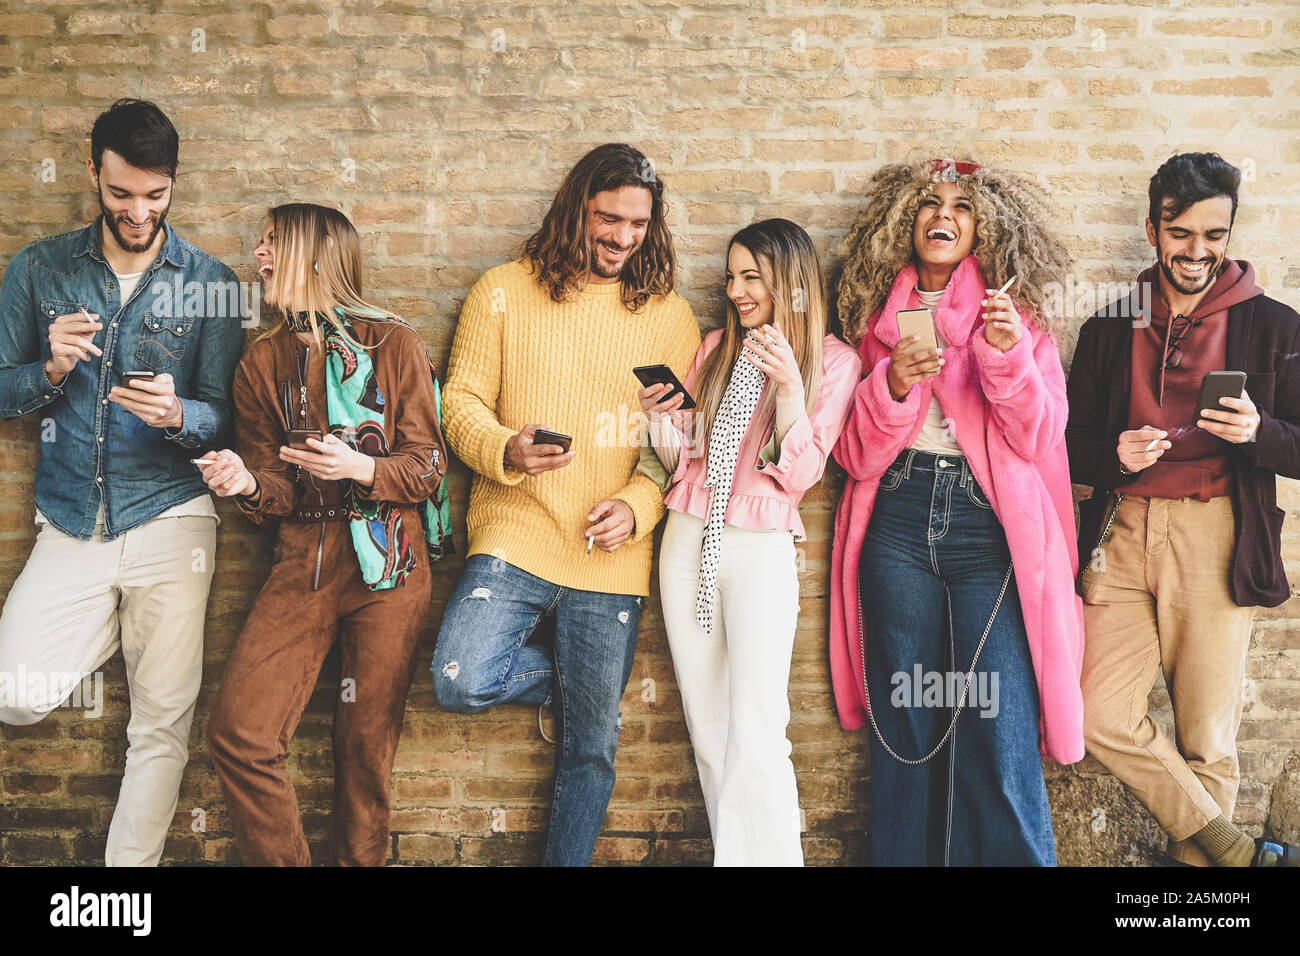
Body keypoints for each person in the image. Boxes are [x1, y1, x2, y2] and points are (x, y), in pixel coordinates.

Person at [432, 143, 700, 866]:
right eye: (608, 219)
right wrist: (505, 450)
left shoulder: (671, 319)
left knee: (592, 748)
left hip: (610, 556)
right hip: (516, 533)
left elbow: (675, 446)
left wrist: (640, 505)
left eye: (638, 225)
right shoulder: (503, 291)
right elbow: (458, 403)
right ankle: (581, 681)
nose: (621, 238)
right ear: (575, 209)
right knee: (458, 679)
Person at [0, 99, 244, 866]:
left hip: (174, 519)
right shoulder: (38, 269)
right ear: (93, 172)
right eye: (121, 193)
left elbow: (229, 419)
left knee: (160, 725)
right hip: (72, 519)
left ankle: (124, 887)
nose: (138, 212)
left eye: (155, 194)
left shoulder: (211, 281)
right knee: (16, 693)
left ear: (173, 183)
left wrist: (180, 415)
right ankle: (114, 619)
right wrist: (49, 368)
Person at [829, 158, 1084, 866]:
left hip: (986, 530)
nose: (944, 215)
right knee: (907, 722)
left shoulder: (1015, 315)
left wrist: (1005, 359)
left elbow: (1039, 437)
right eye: (929, 204)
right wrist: (894, 388)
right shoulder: (876, 322)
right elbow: (853, 457)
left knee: (995, 721)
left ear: (983, 226)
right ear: (903, 223)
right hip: (899, 522)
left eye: (963, 205)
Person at [1068, 152, 1300, 867]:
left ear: (1229, 234)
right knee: (1097, 715)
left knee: (1207, 736)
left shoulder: (1275, 326)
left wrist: (1259, 434)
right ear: (1152, 228)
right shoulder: (1110, 327)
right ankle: (1234, 850)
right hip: (1123, 529)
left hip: (1218, 531)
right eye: (1181, 233)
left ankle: (1205, 888)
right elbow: (1071, 452)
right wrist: (1116, 455)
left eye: (1214, 234)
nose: (1197, 250)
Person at [201, 203, 450, 866]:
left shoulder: (393, 344)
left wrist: (360, 465)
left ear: (315, 256)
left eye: (272, 243)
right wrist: (244, 484)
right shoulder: (261, 364)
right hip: (302, 561)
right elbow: (272, 489)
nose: (258, 255)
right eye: (259, 243)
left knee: (364, 752)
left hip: (389, 564)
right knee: (238, 732)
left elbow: (428, 465)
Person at [638, 218, 860, 866]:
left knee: (758, 730)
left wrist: (790, 388)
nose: (735, 290)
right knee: (709, 732)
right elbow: (686, 463)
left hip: (760, 547)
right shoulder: (714, 349)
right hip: (689, 539)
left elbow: (799, 474)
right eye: (731, 277)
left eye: (750, 277)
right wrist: (661, 420)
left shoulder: (834, 361)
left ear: (789, 282)